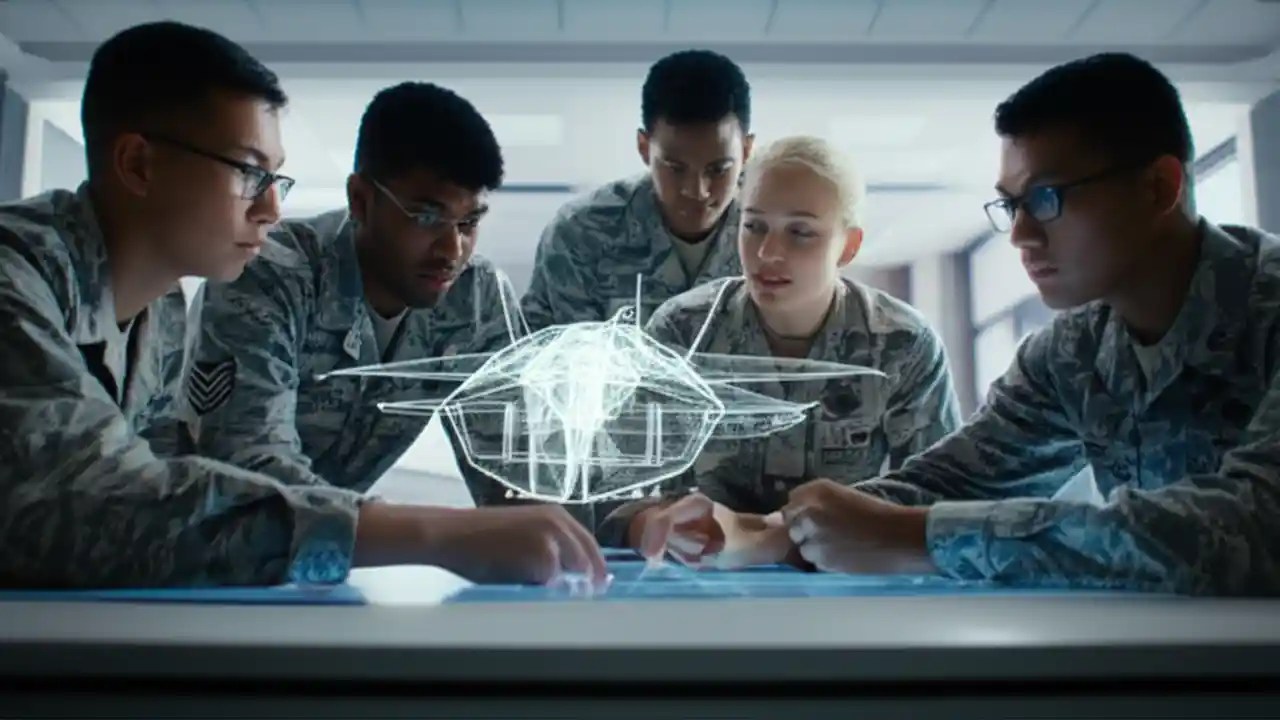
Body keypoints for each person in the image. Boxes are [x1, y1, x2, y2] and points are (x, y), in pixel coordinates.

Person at [0, 22, 605, 588]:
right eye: (247, 173)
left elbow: (155, 508)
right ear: (138, 163)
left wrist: (628, 517)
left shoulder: (158, 312)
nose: (269, 210)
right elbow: (98, 496)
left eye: (274, 180)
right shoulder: (16, 276)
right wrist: (431, 534)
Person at [774, 53, 1280, 595]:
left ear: (1158, 187)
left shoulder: (1265, 307)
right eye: (1011, 204)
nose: (1019, 235)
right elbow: (953, 482)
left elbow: (1257, 524)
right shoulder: (1072, 351)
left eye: (1045, 198)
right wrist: (780, 530)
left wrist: (918, 537)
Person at [601, 136, 962, 565]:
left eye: (801, 233)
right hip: (703, 582)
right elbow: (615, 483)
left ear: (848, 246)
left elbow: (942, 499)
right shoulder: (681, 332)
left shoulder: (902, 345)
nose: (767, 253)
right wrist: (650, 524)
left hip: (847, 585)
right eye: (753, 226)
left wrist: (779, 538)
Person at [521, 49, 753, 330]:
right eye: (675, 168)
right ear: (644, 147)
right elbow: (555, 358)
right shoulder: (582, 234)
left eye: (718, 169)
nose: (697, 191)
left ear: (746, 150)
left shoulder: (778, 232)